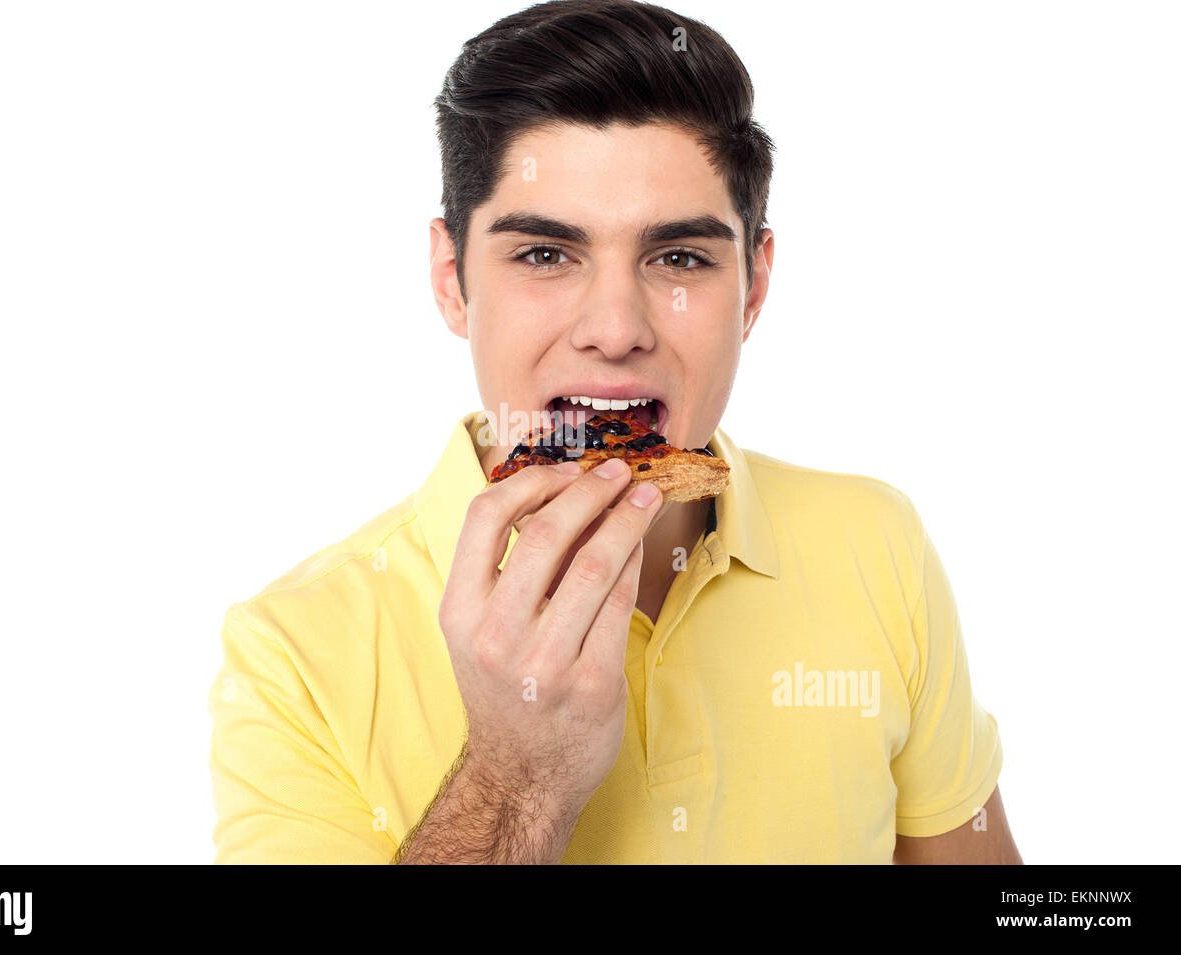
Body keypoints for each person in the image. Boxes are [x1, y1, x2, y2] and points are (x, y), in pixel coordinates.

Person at [207, 0, 1020, 864]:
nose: (615, 326)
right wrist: (517, 777)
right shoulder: (292, 654)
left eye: (678, 258)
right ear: (451, 280)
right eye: (545, 254)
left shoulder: (875, 541)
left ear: (752, 289)